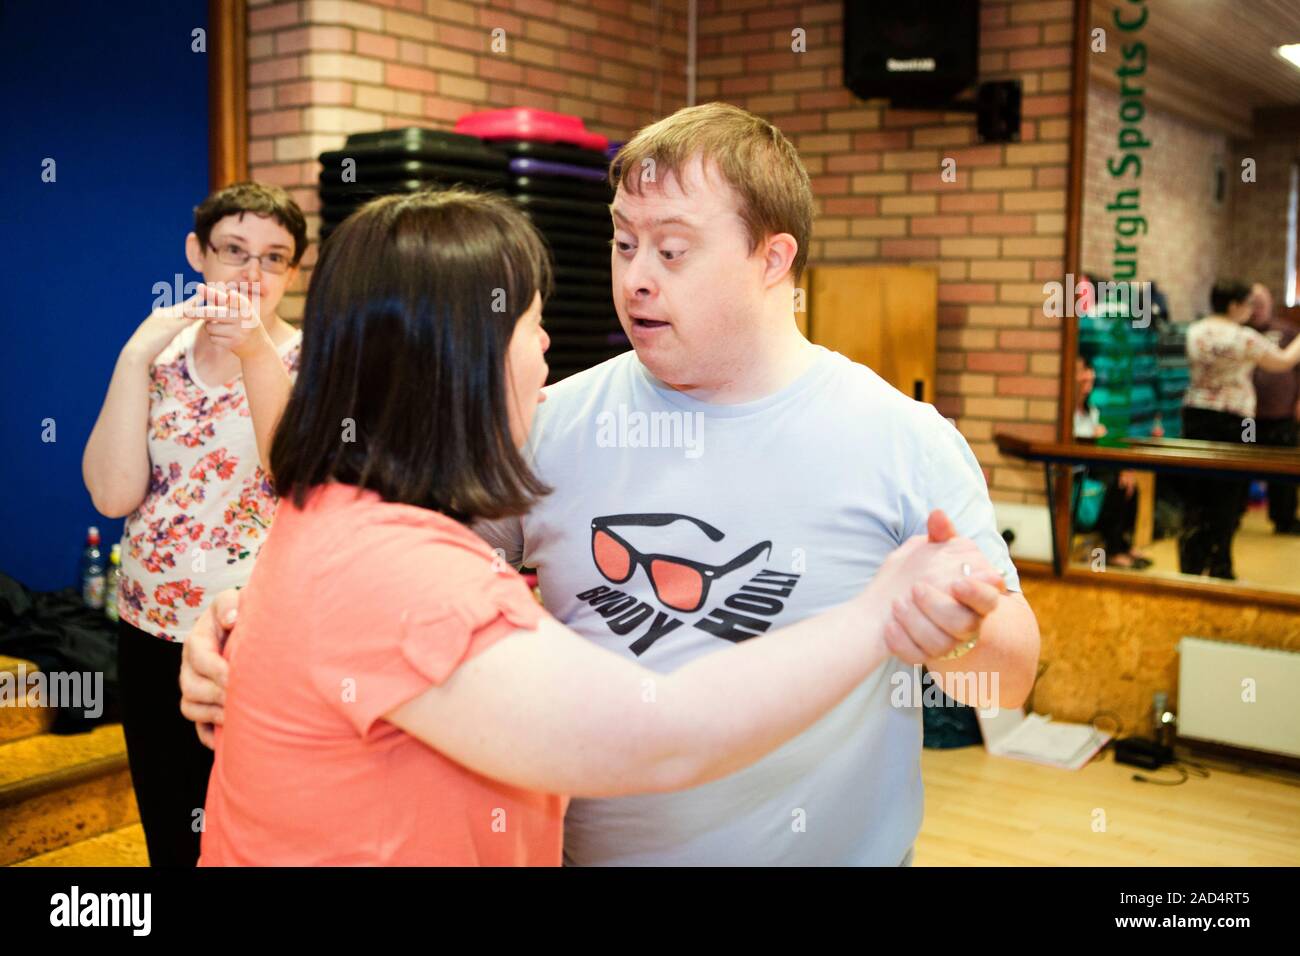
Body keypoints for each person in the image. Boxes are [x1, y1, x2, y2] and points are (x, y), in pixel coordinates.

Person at [183, 102, 1041, 867]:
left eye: (672, 249)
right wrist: (238, 627)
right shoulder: (538, 419)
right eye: (624, 242)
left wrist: (949, 635)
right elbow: (388, 585)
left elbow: (1003, 687)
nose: (636, 277)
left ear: (773, 259)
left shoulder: (900, 437)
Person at [82, 182, 307, 866]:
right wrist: (132, 357)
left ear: (292, 273)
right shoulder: (161, 355)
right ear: (196, 254)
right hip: (149, 625)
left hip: (252, 634)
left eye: (273, 258)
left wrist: (254, 353)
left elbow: (292, 474)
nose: (251, 274)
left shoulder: (308, 357)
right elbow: (112, 494)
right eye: (233, 251)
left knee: (249, 834)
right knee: (167, 825)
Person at [1180, 279, 1300, 578]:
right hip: (1237, 421)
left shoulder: (1194, 332)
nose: (1250, 310)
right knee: (1229, 492)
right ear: (1234, 305)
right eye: (1247, 304)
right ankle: (1220, 564)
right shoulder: (1244, 337)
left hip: (1195, 414)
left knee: (1196, 492)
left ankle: (1192, 563)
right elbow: (1282, 362)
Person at [1072, 356, 1151, 569]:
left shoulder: (1091, 411)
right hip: (1073, 474)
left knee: (1128, 481)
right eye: (1082, 372)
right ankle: (1114, 549)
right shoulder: (1064, 412)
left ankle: (1125, 544)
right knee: (1116, 483)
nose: (1087, 376)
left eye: (1089, 371)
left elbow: (1099, 441)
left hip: (1092, 467)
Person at [1247, 283, 1300, 534]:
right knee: (1241, 463)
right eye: (1252, 304)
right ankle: (1234, 515)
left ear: (1269, 305)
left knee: (1283, 469)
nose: (1256, 310)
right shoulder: (1240, 332)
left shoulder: (1286, 331)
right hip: (1247, 418)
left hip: (1281, 414)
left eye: (1261, 304)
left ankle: (1285, 519)